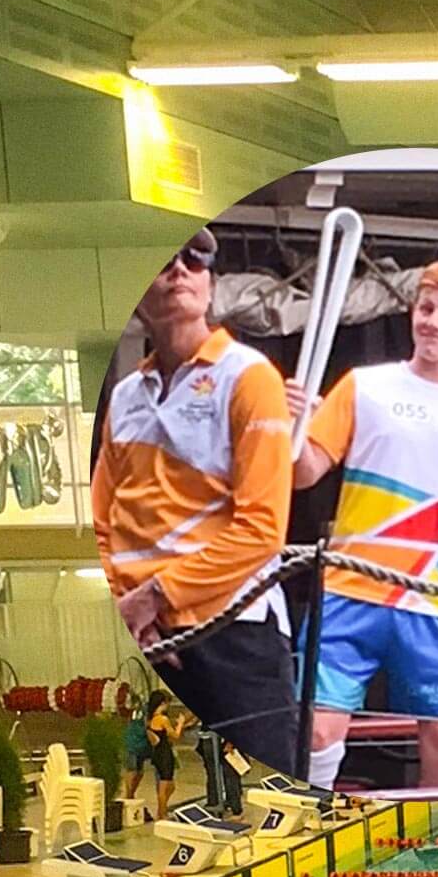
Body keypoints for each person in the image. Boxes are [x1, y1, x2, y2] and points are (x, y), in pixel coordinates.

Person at [285, 262, 438, 790]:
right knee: (316, 733)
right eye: (426, 309)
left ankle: (437, 858)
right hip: (349, 592)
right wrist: (292, 428)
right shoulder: (363, 387)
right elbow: (305, 471)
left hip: (435, 600)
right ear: (412, 314)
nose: (434, 322)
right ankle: (315, 836)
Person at [92, 227, 299, 774]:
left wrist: (154, 597)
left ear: (209, 282)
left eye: (195, 259)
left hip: (232, 630)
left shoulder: (249, 378)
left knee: (268, 797)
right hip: (147, 632)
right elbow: (102, 522)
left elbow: (262, 531)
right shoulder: (125, 395)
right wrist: (130, 609)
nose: (180, 268)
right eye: (164, 258)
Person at [125, 690, 187, 820]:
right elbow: (175, 736)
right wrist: (181, 723)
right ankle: (162, 813)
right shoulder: (162, 719)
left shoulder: (150, 719)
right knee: (164, 788)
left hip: (157, 753)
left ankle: (161, 810)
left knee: (169, 786)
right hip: (164, 754)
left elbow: (155, 739)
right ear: (163, 703)